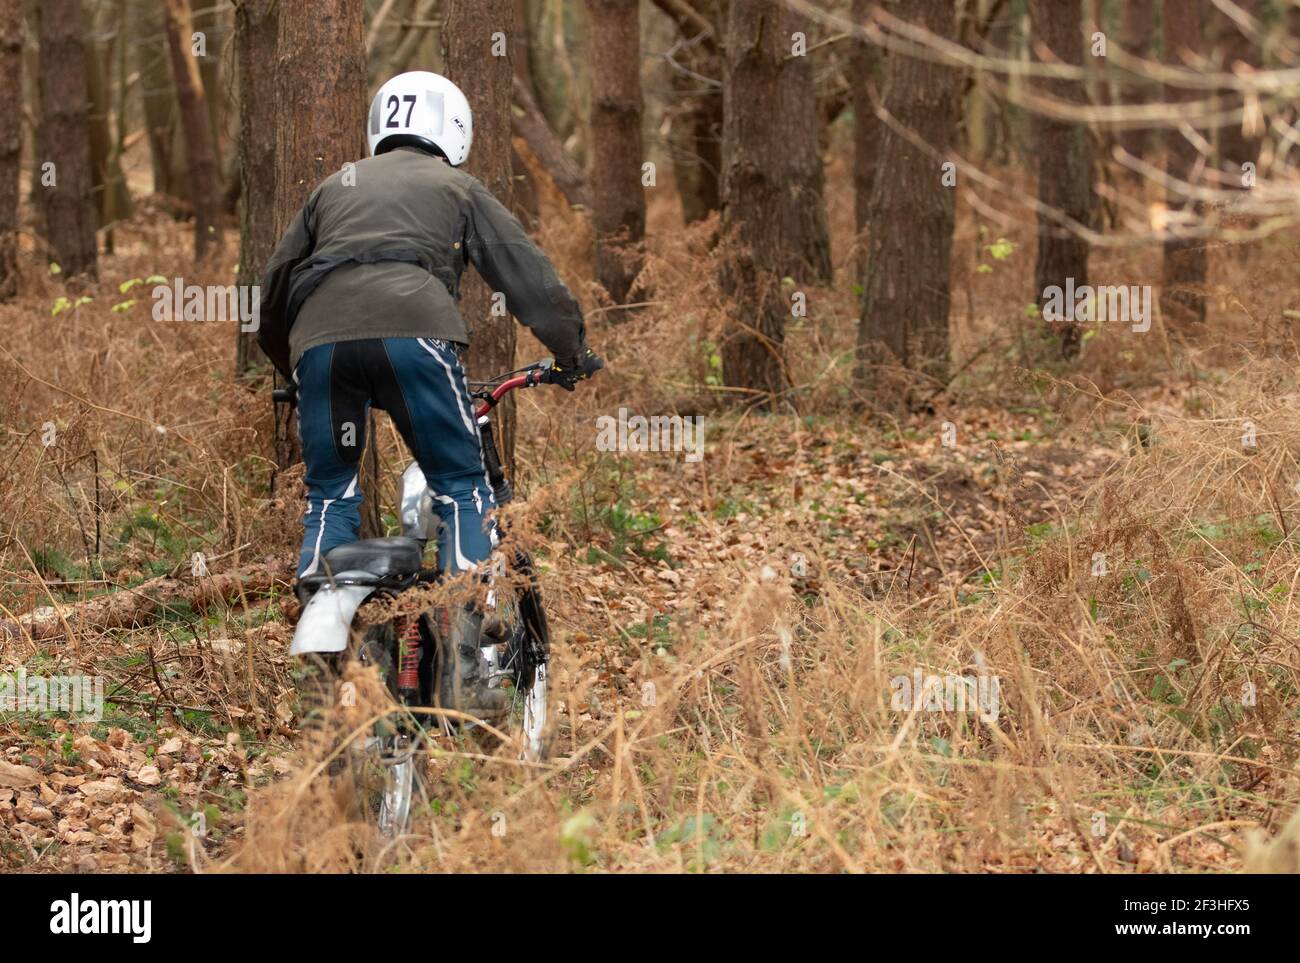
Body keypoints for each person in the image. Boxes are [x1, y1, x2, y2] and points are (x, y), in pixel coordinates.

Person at [257, 71, 601, 714]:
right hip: (415, 336)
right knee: (460, 482)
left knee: (331, 489)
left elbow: (274, 290)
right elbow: (526, 275)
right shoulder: (456, 186)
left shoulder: (335, 186)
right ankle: (467, 645)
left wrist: (294, 370)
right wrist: (571, 351)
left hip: (320, 347)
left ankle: (324, 609)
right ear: (455, 129)